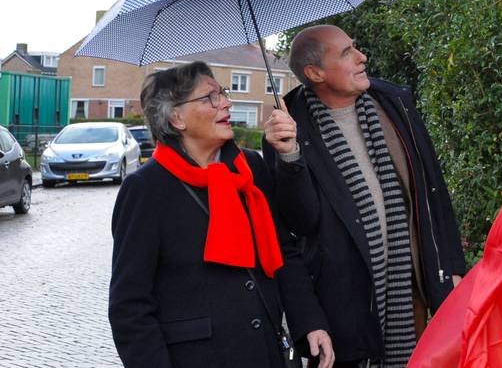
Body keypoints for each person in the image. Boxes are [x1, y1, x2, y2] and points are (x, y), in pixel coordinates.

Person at [263, 24, 467, 367]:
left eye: (355, 47)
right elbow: (299, 224)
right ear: (315, 73)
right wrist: (289, 157)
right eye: (346, 53)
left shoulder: (393, 104)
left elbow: (432, 191)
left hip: (409, 291)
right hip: (346, 305)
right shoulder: (287, 128)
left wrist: (449, 266)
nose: (362, 57)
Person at [109, 61, 334, 368]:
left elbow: (283, 251)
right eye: (209, 98)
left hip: (266, 353)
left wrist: (309, 320)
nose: (226, 102)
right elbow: (129, 305)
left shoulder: (250, 168)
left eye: (223, 93)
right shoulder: (146, 188)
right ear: (176, 117)